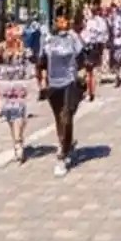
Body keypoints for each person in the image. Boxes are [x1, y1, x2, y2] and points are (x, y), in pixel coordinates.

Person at [0, 23, 35, 162]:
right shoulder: (6, 47)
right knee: (15, 113)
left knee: (15, 113)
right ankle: (18, 141)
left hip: (12, 83)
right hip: (12, 83)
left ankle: (17, 141)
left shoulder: (18, 47)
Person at [39, 15, 84, 176]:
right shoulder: (48, 39)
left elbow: (82, 57)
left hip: (69, 81)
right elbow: (42, 62)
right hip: (53, 83)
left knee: (66, 115)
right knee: (59, 117)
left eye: (65, 20)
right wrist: (43, 81)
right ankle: (65, 142)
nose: (63, 23)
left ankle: (62, 155)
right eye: (59, 20)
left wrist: (82, 75)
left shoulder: (73, 38)